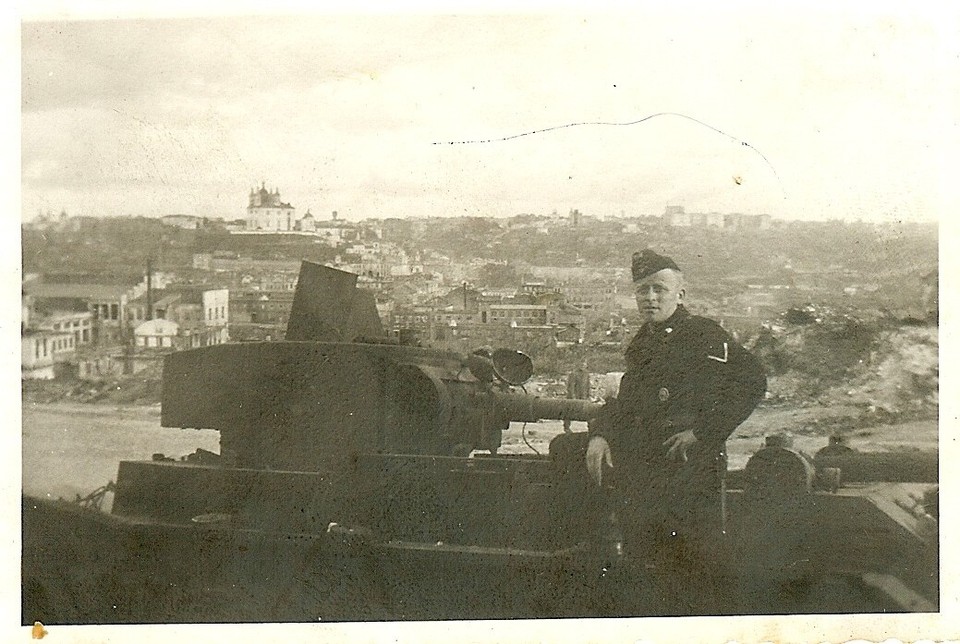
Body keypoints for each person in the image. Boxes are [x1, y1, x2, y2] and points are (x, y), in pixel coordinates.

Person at [585, 249, 766, 614]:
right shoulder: (642, 344)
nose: (650, 298)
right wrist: (600, 434)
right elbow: (627, 402)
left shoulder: (703, 334)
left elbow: (752, 381)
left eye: (660, 289)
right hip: (646, 473)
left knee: (694, 570)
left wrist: (704, 433)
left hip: (690, 472)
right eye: (643, 290)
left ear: (680, 295)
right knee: (647, 568)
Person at [563, 360, 591, 433]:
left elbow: (588, 385)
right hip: (574, 396)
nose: (583, 365)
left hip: (583, 396)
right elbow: (571, 387)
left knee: (588, 411)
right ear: (578, 365)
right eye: (581, 364)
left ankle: (590, 426)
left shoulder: (587, 374)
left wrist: (588, 395)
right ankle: (566, 427)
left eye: (584, 364)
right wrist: (573, 397)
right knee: (569, 411)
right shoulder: (573, 374)